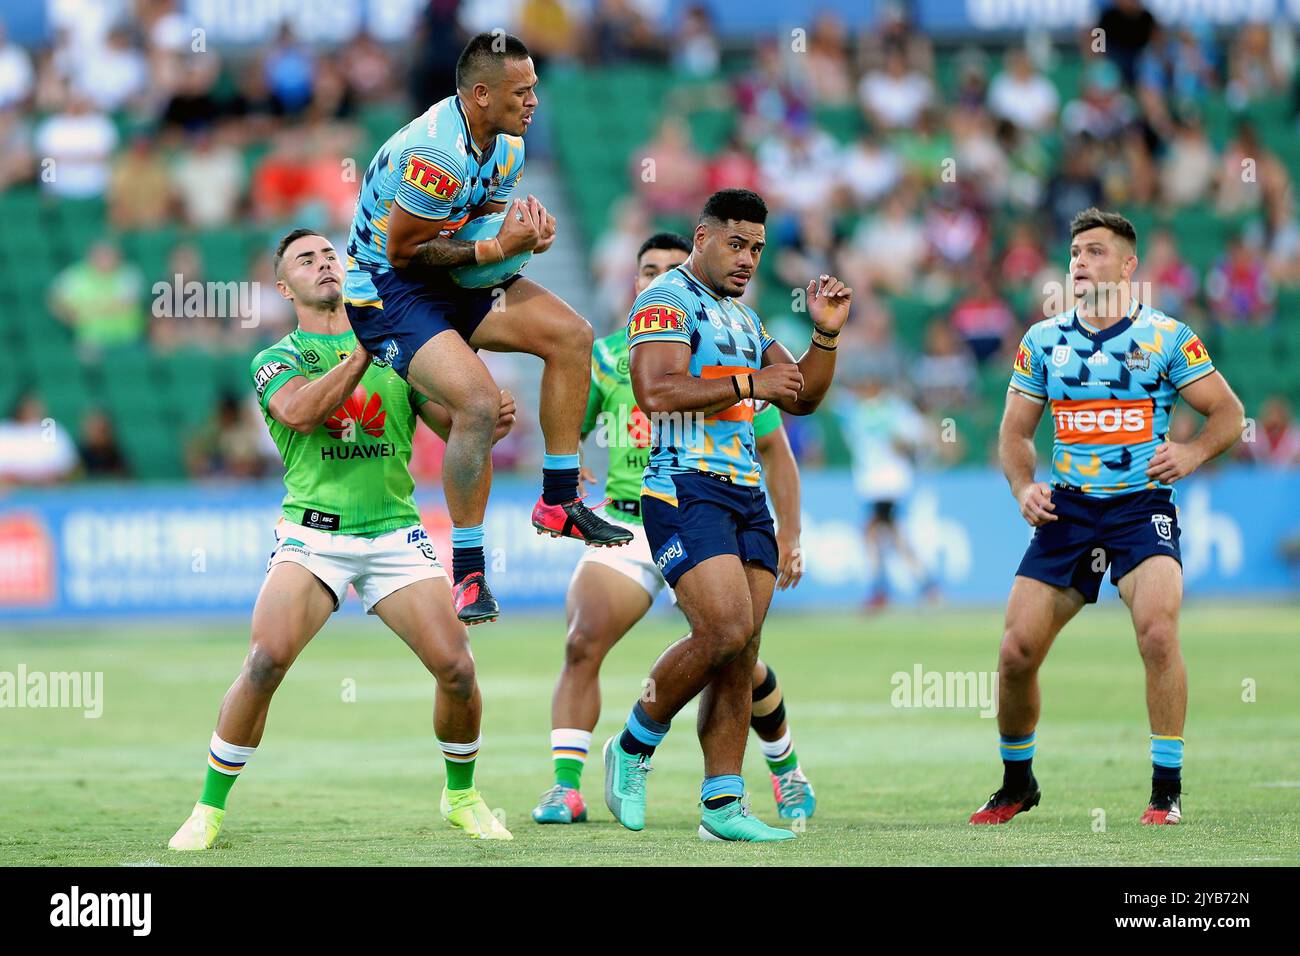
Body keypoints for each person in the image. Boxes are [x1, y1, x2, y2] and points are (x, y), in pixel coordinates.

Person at [168, 229, 517, 851]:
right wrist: (365, 349)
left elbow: (450, 428)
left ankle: (461, 795)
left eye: (331, 254)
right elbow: (302, 413)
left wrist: (482, 416)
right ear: (284, 286)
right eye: (307, 259)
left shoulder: (402, 351)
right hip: (313, 536)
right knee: (265, 660)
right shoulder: (277, 359)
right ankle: (207, 809)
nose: (324, 263)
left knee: (457, 669)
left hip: (394, 533)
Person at [344, 31, 631, 627]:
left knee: (573, 336)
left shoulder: (506, 147)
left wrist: (524, 242)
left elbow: (478, 233)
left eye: (535, 89)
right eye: (521, 91)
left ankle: (559, 500)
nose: (533, 102)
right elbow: (403, 252)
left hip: (447, 276)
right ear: (480, 95)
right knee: (478, 402)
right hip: (385, 291)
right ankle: (468, 572)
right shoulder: (437, 153)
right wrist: (499, 246)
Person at [972, 208, 1244, 827]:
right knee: (1015, 653)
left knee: (1156, 632)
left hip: (1139, 508)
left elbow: (1228, 414)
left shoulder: (1168, 338)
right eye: (1074, 253)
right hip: (1068, 511)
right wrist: (1022, 487)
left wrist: (1193, 451)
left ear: (1128, 266)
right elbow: (1014, 433)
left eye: (1095, 252)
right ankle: (1017, 783)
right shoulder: (1043, 341)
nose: (1079, 263)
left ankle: (1165, 792)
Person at [532, 232, 815, 826]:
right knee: (586, 642)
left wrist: (791, 533)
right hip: (637, 516)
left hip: (731, 501)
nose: (662, 278)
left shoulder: (733, 327)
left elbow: (778, 441)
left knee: (738, 649)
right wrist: (567, 464)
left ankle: (763, 779)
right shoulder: (608, 357)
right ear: (636, 283)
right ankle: (568, 783)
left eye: (670, 267)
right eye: (650, 269)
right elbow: (573, 421)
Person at [602, 189, 851, 842]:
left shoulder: (745, 318)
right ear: (703, 236)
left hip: (747, 496)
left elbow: (800, 396)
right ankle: (632, 745)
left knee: (741, 652)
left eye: (758, 250)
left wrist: (824, 334)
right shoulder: (666, 300)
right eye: (736, 245)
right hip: (685, 487)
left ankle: (722, 805)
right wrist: (748, 384)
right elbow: (656, 392)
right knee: (723, 630)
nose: (748, 260)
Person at [834, 375, 938, 609]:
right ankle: (923, 584)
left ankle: (882, 589)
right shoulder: (859, 410)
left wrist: (903, 444)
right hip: (874, 484)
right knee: (891, 535)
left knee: (874, 533)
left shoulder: (894, 408)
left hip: (888, 482)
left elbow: (920, 436)